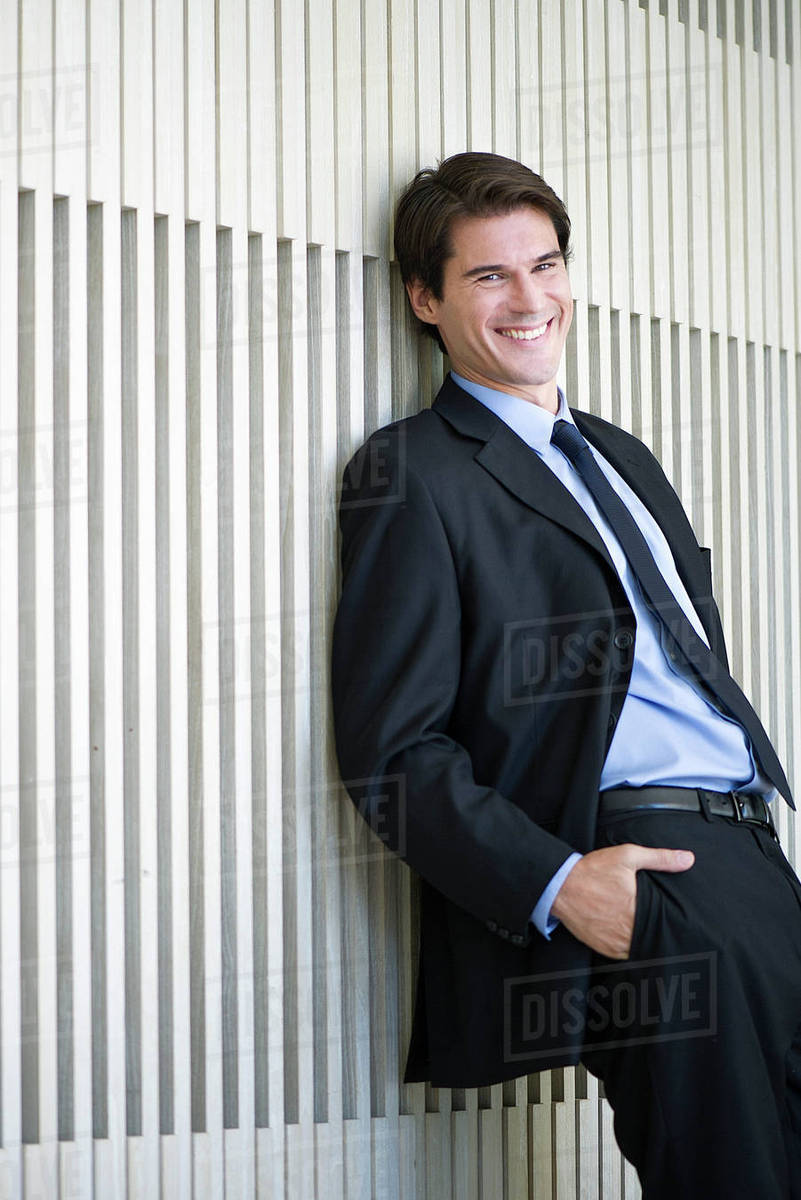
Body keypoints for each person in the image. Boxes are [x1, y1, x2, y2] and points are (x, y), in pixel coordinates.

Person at [331, 151, 801, 1197]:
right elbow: (392, 749)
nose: (530, 299)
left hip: (755, 859)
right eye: (490, 276)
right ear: (424, 297)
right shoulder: (411, 471)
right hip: (641, 870)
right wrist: (561, 887)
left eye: (544, 265)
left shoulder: (624, 458)